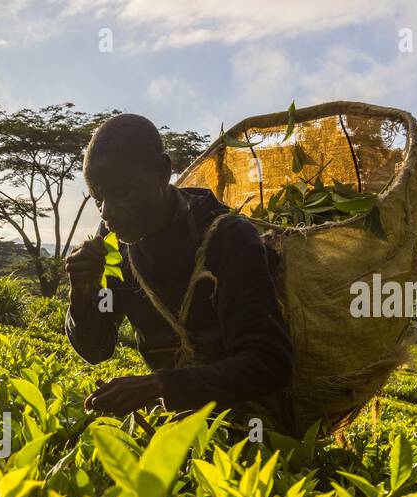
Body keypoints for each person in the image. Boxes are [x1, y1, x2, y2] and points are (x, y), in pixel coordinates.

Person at [65, 113, 294, 432]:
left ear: (162, 172)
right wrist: (82, 293)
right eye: (99, 199)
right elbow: (96, 349)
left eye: (122, 193)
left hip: (253, 426)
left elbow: (269, 362)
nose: (108, 213)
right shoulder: (115, 247)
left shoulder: (227, 238)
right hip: (181, 425)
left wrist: (157, 386)